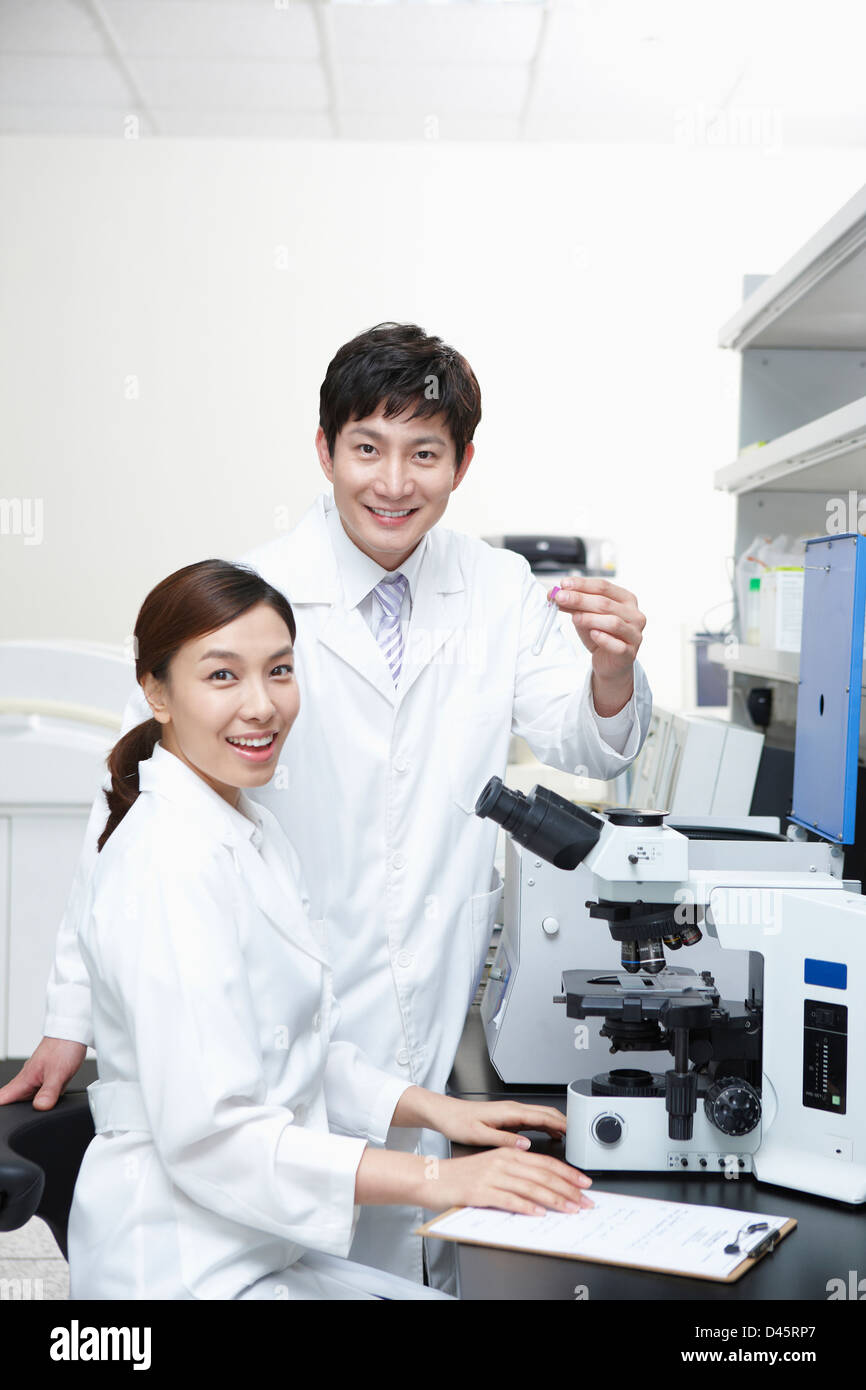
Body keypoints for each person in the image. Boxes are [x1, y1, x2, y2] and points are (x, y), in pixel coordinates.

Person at [1, 322, 651, 1290]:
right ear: (324, 450)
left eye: (423, 452)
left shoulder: (496, 589)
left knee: (397, 1247)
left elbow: (580, 735)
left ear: (460, 464)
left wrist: (610, 669)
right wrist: (71, 1007)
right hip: (260, 1043)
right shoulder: (254, 598)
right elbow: (129, 799)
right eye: (366, 447)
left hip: (388, 1007)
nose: (392, 481)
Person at [68, 560, 593, 1300]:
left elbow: (295, 1049)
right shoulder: (169, 866)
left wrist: (440, 1110)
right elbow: (215, 1138)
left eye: (280, 671)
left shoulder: (242, 829)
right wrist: (442, 1177)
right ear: (156, 692)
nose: (262, 706)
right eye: (223, 677)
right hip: (181, 1263)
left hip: (254, 1247)